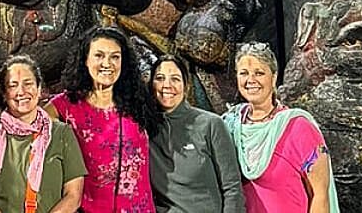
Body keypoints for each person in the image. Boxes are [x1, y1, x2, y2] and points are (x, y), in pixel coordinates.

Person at [49, 26, 157, 213]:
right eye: (99, 55)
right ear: (85, 60)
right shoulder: (67, 104)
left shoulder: (138, 100)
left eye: (115, 57)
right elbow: (31, 123)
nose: (107, 63)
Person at [221, 43, 338, 213]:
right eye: (243, 73)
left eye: (259, 73)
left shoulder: (299, 127)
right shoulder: (230, 125)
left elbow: (320, 195)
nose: (250, 80)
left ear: (274, 77)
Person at [0, 55, 85, 213]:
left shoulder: (62, 133)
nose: (21, 92)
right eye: (13, 85)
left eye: (28, 84)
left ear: (39, 89)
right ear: (4, 94)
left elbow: (73, 196)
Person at [147, 54, 245, 213]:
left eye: (175, 79)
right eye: (160, 78)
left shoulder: (211, 124)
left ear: (186, 86)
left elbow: (232, 188)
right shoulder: (143, 130)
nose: (167, 85)